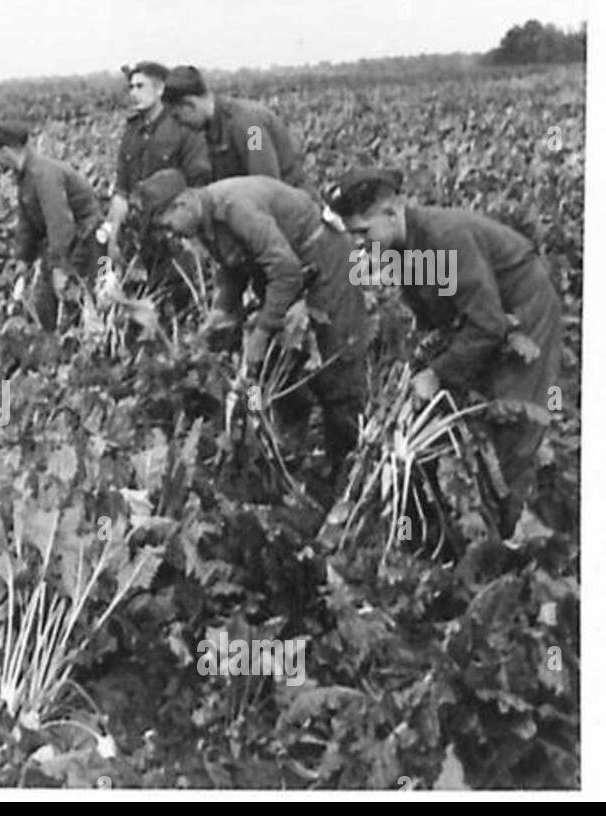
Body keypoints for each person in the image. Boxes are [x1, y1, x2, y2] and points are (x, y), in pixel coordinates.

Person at [327, 168, 563, 533]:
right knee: (468, 408)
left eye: (362, 232)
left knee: (512, 422)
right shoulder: (395, 247)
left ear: (391, 213)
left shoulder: (445, 239)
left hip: (524, 309)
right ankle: (459, 515)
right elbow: (432, 315)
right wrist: (421, 363)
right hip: (483, 313)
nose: (359, 244)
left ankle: (514, 539)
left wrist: (437, 373)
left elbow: (489, 325)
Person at [152, 174, 370, 477]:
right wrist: (221, 310)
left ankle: (348, 465)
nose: (172, 235)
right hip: (292, 273)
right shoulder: (204, 220)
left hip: (327, 264)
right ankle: (289, 449)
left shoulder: (236, 208)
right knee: (276, 370)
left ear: (183, 203)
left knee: (335, 363)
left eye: (168, 223)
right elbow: (232, 267)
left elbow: (286, 270)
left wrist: (262, 331)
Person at [105, 61, 212, 296]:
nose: (134, 93)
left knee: (175, 298)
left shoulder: (183, 125)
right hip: (139, 236)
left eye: (140, 86)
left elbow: (199, 184)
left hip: (175, 234)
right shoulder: (131, 131)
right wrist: (113, 238)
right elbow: (122, 190)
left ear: (161, 89)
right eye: (131, 87)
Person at [0, 121, 104, 331]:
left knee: (78, 297)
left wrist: (61, 268)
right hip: (65, 241)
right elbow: (27, 221)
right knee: (45, 301)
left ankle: (85, 340)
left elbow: (60, 224)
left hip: (85, 238)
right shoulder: (25, 175)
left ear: (5, 151)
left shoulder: (43, 174)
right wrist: (23, 258)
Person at [162, 65, 307, 189]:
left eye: (177, 116)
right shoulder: (211, 127)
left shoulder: (250, 126)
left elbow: (266, 184)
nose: (180, 124)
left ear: (189, 104)